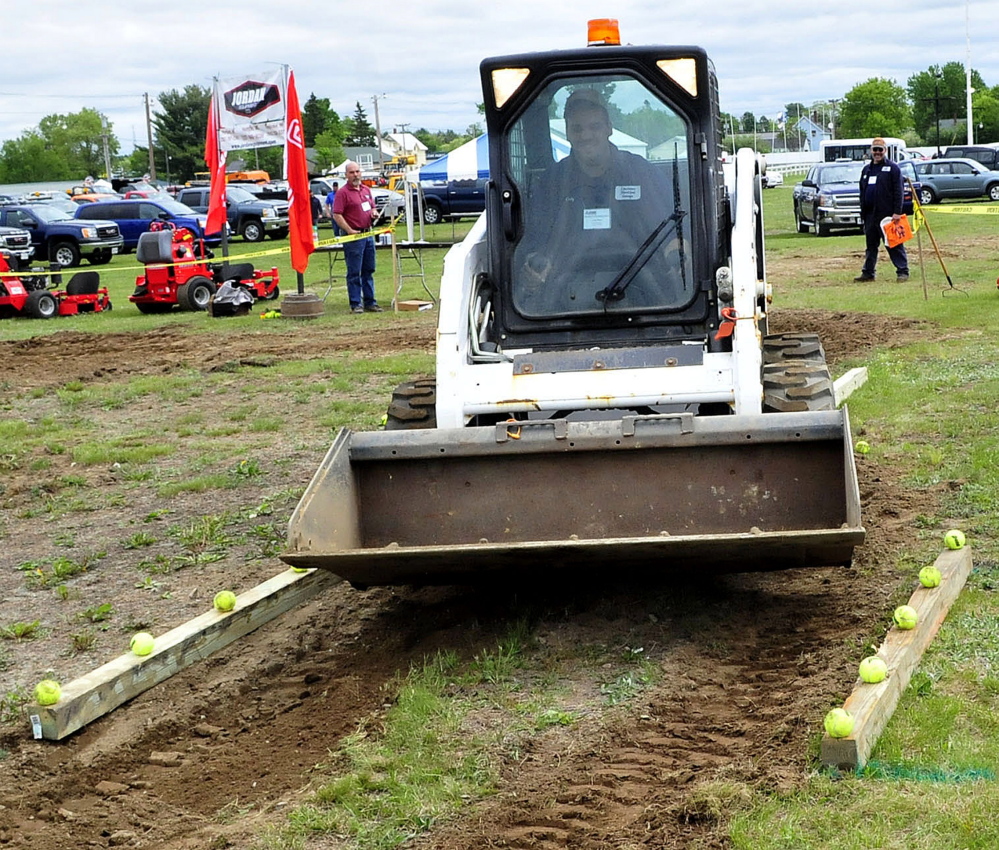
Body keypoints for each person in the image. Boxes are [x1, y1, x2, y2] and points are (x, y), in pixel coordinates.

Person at [515, 87, 679, 313]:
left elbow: (674, 231)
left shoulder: (641, 172)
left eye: (594, 126)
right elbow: (535, 242)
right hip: (563, 302)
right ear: (568, 132)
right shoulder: (551, 183)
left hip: (644, 294)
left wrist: (679, 256)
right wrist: (534, 267)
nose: (586, 135)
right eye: (577, 128)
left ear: (609, 128)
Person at [855, 137, 909, 282]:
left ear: (885, 151)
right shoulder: (867, 169)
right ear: (871, 151)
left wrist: (897, 212)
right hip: (870, 214)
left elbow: (899, 191)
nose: (877, 152)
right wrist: (863, 212)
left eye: (880, 150)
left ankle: (902, 271)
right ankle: (868, 272)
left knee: (894, 243)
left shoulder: (893, 168)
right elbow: (862, 191)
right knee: (871, 245)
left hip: (887, 214)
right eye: (875, 149)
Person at [332, 161, 383, 313]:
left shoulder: (366, 189)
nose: (355, 175)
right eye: (352, 172)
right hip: (354, 237)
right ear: (346, 175)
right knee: (355, 271)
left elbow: (371, 207)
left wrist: (374, 213)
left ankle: (370, 302)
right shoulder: (342, 193)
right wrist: (349, 230)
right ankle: (356, 304)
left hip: (368, 234)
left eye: (357, 172)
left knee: (369, 269)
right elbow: (337, 214)